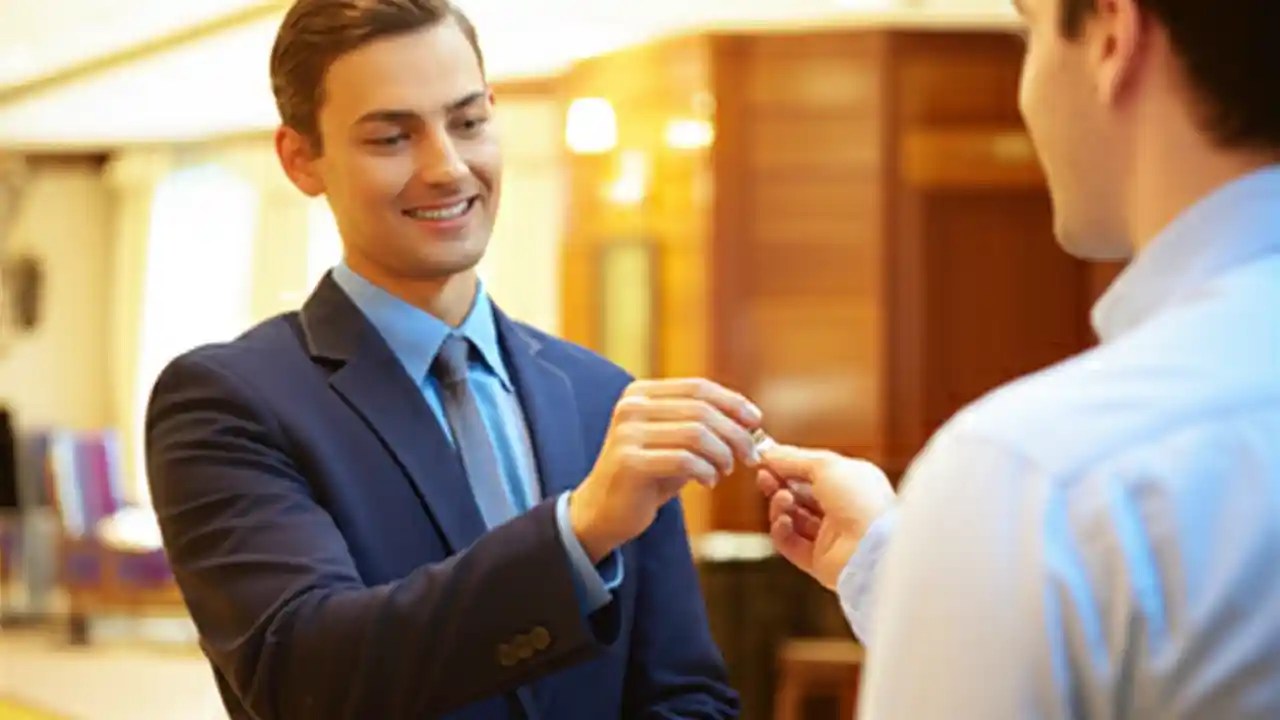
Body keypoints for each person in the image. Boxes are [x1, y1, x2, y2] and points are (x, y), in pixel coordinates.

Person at [144, 1, 751, 718]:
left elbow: (686, 695)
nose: (448, 167)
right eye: (392, 137)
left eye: (467, 123)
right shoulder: (227, 401)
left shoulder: (601, 396)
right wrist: (577, 533)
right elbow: (303, 672)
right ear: (302, 159)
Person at [757, 0, 1280, 717]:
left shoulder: (1042, 474)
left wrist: (979, 524)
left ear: (1110, 36)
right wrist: (898, 563)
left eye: (1026, 32)